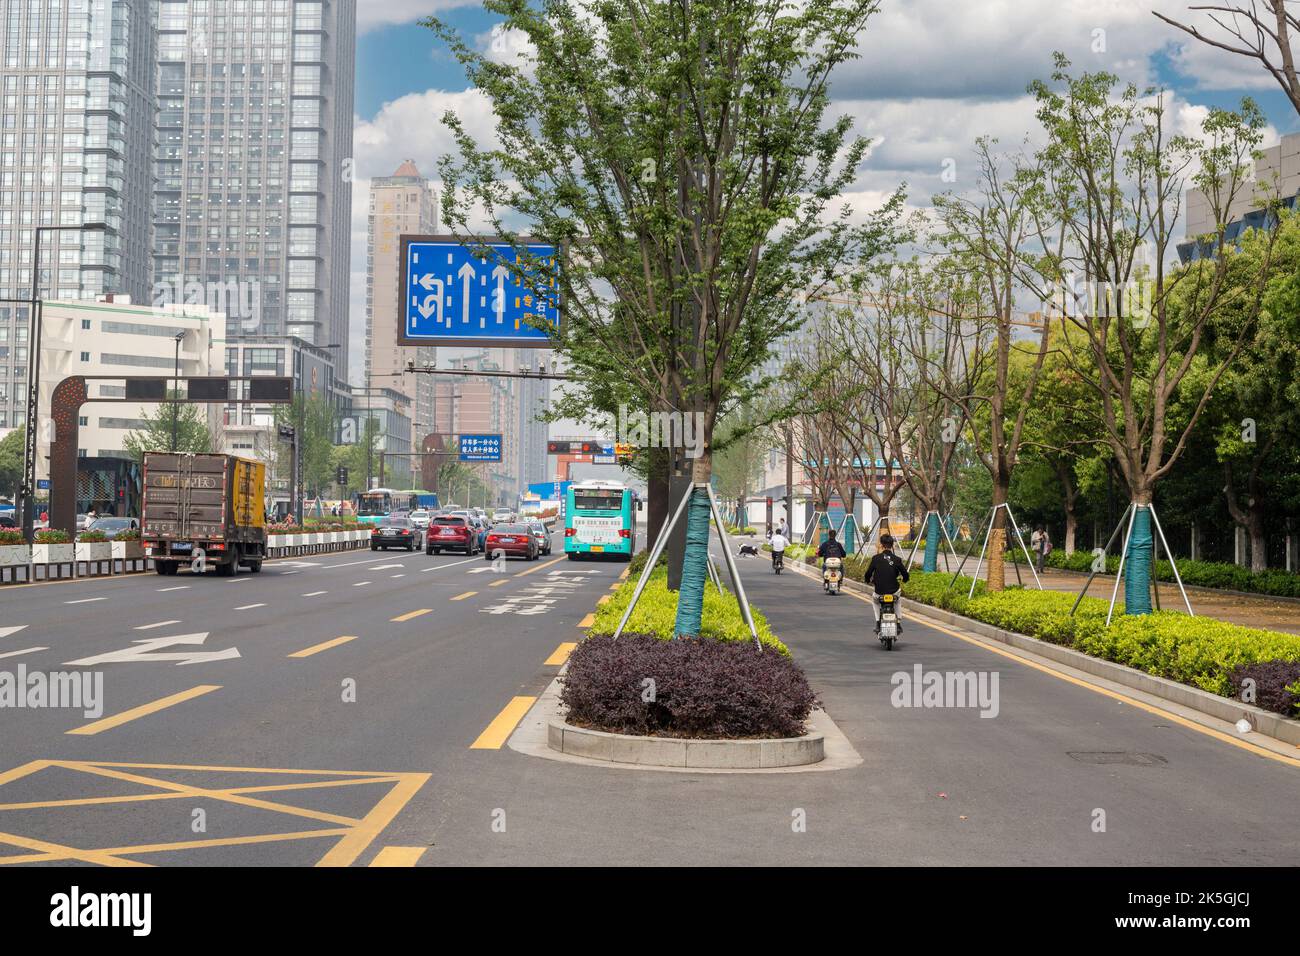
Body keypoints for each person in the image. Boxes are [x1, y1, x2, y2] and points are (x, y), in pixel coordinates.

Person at [864, 534, 910, 630]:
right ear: (892, 545)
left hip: (879, 592)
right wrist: (905, 580)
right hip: (894, 591)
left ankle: (877, 622)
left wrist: (867, 580)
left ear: (881, 545)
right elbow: (905, 574)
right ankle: (898, 622)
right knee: (897, 601)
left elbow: (868, 573)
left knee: (875, 602)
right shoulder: (897, 559)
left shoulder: (876, 558)